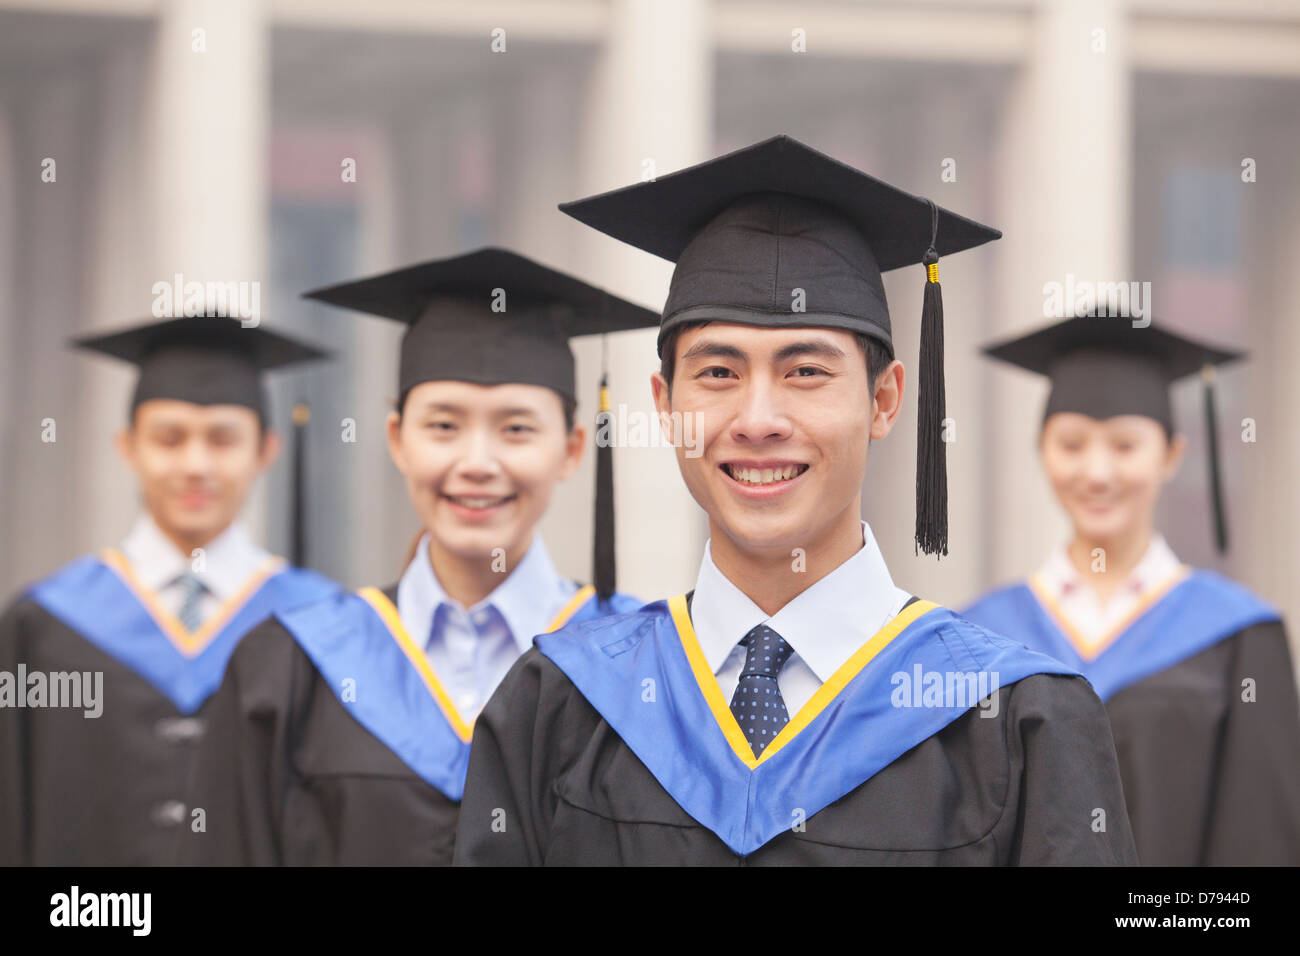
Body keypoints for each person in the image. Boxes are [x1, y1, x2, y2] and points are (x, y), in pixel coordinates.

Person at [454, 135, 1138, 865]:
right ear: (664, 404)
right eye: (717, 372)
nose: (757, 420)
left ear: (884, 400)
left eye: (805, 370)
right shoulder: (560, 704)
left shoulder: (1013, 718)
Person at [188, 247, 658, 865]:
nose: (477, 463)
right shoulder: (291, 666)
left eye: (517, 428)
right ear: (396, 439)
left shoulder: (644, 664)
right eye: (443, 426)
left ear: (572, 448)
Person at [962, 311, 1300, 865]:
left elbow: (1259, 842)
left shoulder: (1239, 637)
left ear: (1171, 456)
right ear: (1041, 452)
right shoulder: (978, 637)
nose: (1097, 472)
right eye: (1071, 444)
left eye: (1124, 446)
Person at [0, 314, 334, 865]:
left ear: (266, 451)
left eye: (223, 439)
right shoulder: (42, 629)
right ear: (128, 446)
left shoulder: (323, 625)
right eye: (169, 438)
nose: (195, 465)